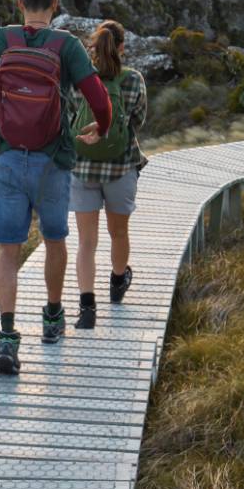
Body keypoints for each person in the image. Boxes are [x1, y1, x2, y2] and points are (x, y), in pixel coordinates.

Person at [0, 0, 112, 374]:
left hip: (6, 160)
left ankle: (6, 340)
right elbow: (98, 99)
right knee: (55, 240)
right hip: (52, 163)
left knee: (8, 251)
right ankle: (53, 318)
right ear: (55, 5)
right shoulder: (66, 45)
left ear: (19, 3)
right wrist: (102, 127)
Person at [68, 20, 149, 329]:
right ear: (121, 48)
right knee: (119, 233)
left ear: (94, 46)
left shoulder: (79, 79)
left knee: (86, 243)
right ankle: (117, 283)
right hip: (121, 168)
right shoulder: (133, 80)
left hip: (83, 168)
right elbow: (137, 121)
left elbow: (70, 119)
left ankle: (87, 309)